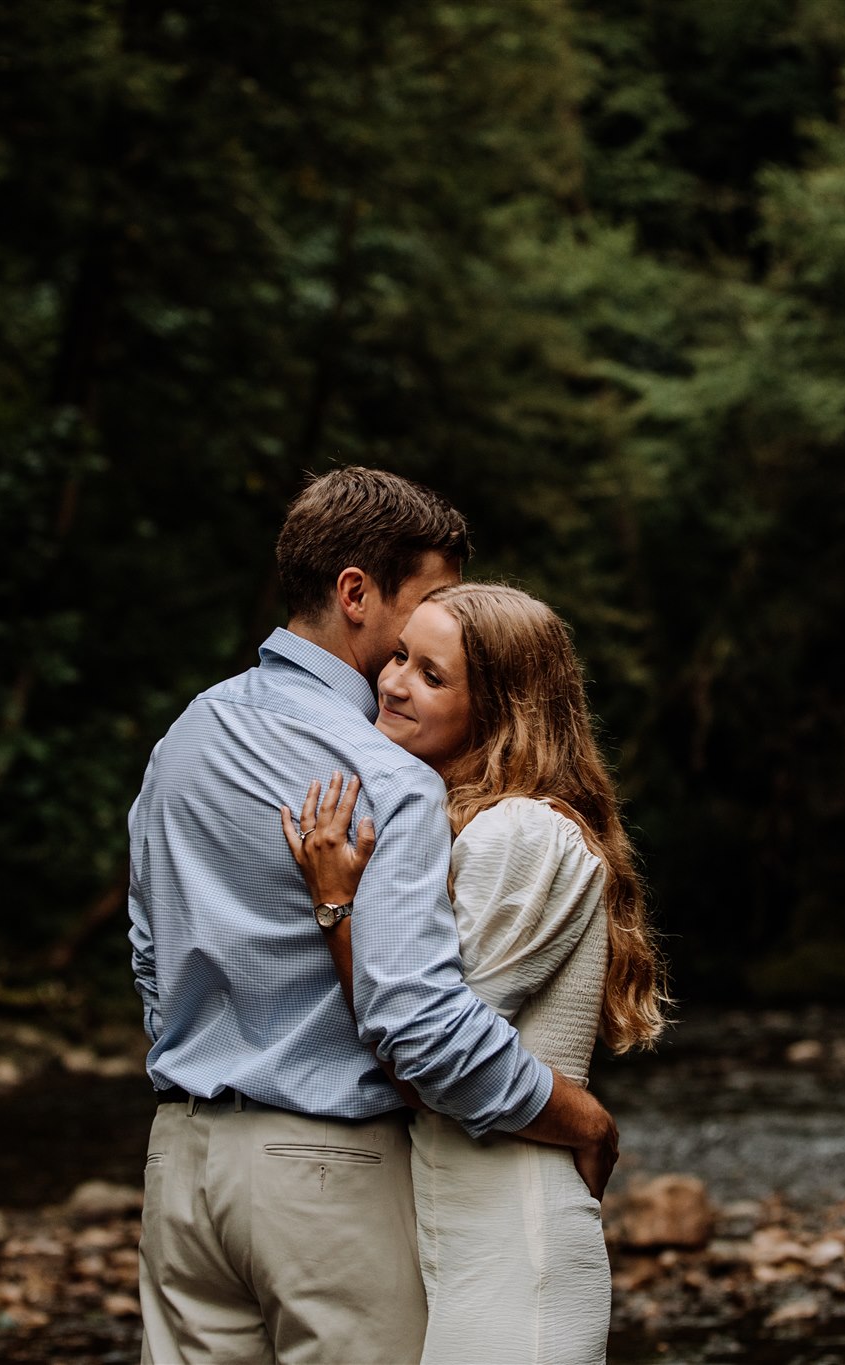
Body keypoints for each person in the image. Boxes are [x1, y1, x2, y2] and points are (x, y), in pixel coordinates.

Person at [128, 468, 620, 1365]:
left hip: (178, 1164)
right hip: (327, 1174)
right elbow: (418, 1026)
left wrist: (208, 1055)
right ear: (356, 592)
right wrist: (578, 1119)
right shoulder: (391, 780)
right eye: (432, 600)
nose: (441, 623)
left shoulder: (184, 738)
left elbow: (148, 951)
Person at [282, 582, 668, 1365]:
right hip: (466, 1241)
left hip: (513, 1244)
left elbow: (425, 1048)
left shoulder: (518, 831)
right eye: (398, 655)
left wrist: (336, 905)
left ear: (501, 709)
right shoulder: (468, 826)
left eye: (431, 674)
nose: (391, 683)